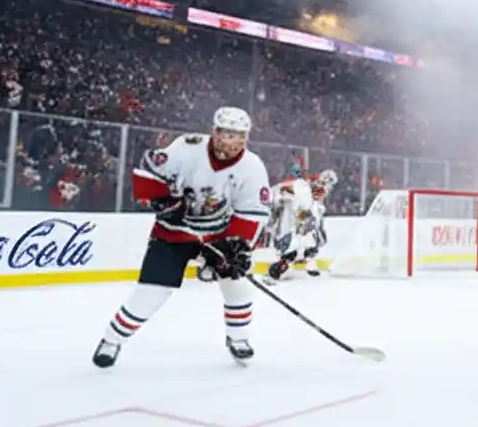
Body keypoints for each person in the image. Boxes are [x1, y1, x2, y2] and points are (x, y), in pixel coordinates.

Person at [91, 107, 270, 368]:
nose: (227, 141)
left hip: (215, 236)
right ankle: (111, 340)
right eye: (223, 133)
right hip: (172, 233)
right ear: (213, 131)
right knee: (151, 294)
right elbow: (150, 172)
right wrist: (163, 202)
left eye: (235, 136)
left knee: (237, 286)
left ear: (245, 138)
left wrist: (237, 248)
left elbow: (252, 212)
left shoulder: (252, 167)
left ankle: (238, 338)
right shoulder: (187, 147)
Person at [266, 169, 338, 282]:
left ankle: (303, 258)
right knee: (291, 244)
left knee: (312, 238)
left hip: (284, 215)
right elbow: (280, 197)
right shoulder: (302, 190)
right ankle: (291, 260)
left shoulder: (311, 200)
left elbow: (313, 223)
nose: (321, 194)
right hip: (276, 212)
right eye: (320, 190)